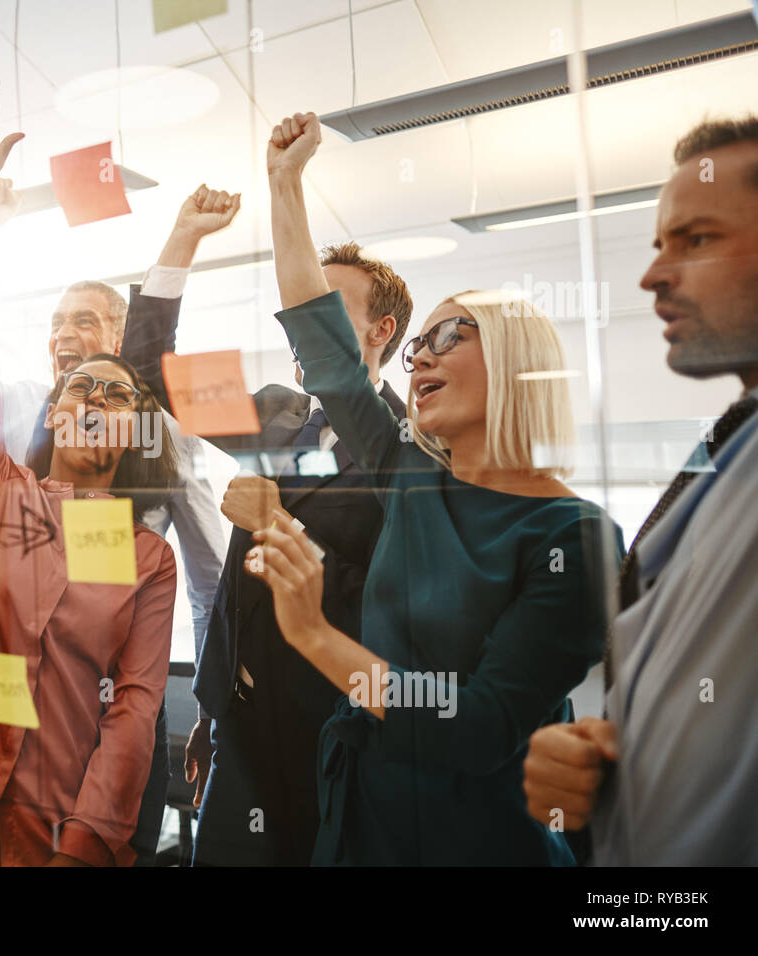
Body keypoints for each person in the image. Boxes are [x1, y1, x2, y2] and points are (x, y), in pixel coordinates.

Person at [249, 111, 621, 865]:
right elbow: (322, 348)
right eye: (417, 345)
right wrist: (284, 185)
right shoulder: (411, 475)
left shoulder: (573, 537)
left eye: (450, 336)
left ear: (517, 358)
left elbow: (477, 725)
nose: (418, 359)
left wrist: (315, 635)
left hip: (477, 839)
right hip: (361, 818)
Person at [0, 75, 235, 865]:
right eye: (75, 382)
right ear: (53, 410)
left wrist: (87, 839)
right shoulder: (1, 481)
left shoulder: (146, 551)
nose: (85, 381)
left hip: (70, 796)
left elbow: (138, 704)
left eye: (110, 382)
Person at [126, 237, 412, 864]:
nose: (296, 326)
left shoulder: (410, 447)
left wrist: (281, 525)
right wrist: (180, 239)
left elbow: (389, 600)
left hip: (340, 731)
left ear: (381, 329)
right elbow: (151, 374)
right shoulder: (276, 410)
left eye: (320, 305)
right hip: (242, 725)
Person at [523, 116, 758, 865]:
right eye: (660, 245)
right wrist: (598, 760)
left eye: (696, 240)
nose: (653, 275)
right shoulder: (727, 455)